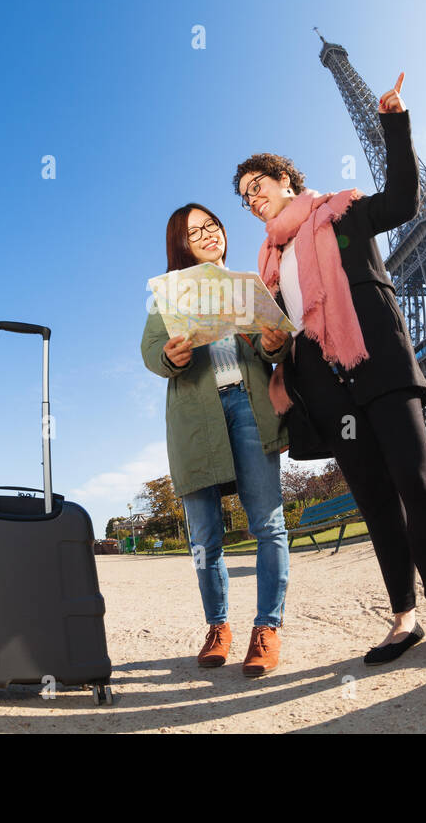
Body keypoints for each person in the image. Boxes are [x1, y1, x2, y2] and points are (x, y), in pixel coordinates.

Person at [233, 71, 426, 664]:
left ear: (285, 179)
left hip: (377, 361)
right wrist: (269, 340)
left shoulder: (341, 213)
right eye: (244, 196)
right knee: (375, 500)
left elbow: (403, 199)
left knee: (417, 485)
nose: (251, 198)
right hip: (324, 385)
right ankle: (403, 618)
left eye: (257, 184)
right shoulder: (267, 262)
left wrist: (394, 125)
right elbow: (285, 331)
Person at [140, 203, 293, 676]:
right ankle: (218, 627)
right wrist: (171, 354)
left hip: (250, 407)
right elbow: (150, 352)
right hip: (195, 418)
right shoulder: (167, 295)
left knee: (267, 524)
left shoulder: (250, 286)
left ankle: (267, 629)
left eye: (211, 226)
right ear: (179, 244)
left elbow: (276, 341)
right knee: (204, 535)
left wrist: (272, 344)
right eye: (193, 232)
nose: (206, 234)